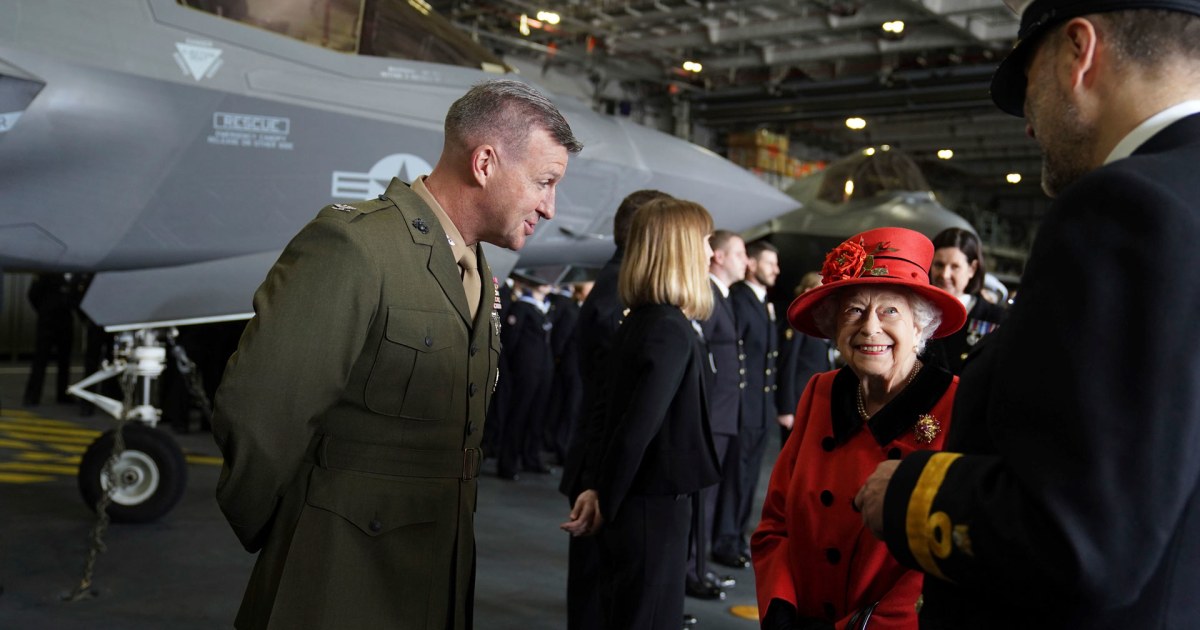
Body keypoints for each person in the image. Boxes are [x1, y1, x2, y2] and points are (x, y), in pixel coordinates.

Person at [855, 1, 1200, 627]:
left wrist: (907, 494)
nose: (1028, 128)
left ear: (1078, 53)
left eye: (1029, 86)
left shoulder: (1129, 206)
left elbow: (1083, 538)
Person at [210, 79, 581, 630]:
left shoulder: (477, 271)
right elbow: (261, 408)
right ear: (485, 163)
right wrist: (300, 527)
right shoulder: (357, 246)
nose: (550, 208)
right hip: (339, 574)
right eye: (544, 182)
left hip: (437, 570)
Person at [752, 227, 967, 629]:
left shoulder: (956, 405)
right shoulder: (821, 391)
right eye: (853, 310)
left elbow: (947, 551)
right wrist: (780, 606)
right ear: (834, 327)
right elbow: (775, 524)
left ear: (920, 326)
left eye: (890, 311)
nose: (870, 327)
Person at [560, 197, 721, 630]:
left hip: (638, 501)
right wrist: (602, 496)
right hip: (651, 506)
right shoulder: (669, 328)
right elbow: (634, 427)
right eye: (705, 242)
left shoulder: (646, 320)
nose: (713, 253)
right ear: (681, 250)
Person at [558, 189, 672, 630]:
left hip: (605, 464)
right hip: (601, 468)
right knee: (596, 599)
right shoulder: (617, 295)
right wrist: (599, 484)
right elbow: (612, 400)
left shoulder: (623, 285)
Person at [686, 229, 747, 601]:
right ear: (719, 257)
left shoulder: (721, 296)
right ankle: (691, 570)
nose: (747, 261)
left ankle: (699, 567)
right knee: (701, 500)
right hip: (711, 415)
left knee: (708, 499)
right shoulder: (707, 295)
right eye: (739, 253)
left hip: (722, 415)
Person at [712, 240, 780, 570]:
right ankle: (724, 539)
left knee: (750, 478)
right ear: (751, 264)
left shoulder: (763, 302)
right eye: (770, 263)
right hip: (742, 403)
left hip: (761, 406)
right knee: (735, 476)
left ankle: (736, 535)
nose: (776, 270)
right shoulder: (740, 299)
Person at [922, 227, 1006, 374]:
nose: (945, 274)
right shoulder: (918, 314)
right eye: (939, 265)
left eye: (955, 267)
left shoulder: (996, 319)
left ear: (972, 269)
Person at [774, 271, 836, 445]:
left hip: (816, 403)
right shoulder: (798, 323)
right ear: (808, 291)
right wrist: (786, 408)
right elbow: (787, 365)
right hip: (798, 403)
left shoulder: (822, 323)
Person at [23, 272, 83, 406]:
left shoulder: (76, 275)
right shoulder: (47, 272)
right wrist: (44, 310)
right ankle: (32, 395)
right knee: (40, 359)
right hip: (47, 322)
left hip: (66, 321)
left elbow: (78, 297)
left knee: (65, 361)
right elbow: (33, 294)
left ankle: (62, 393)